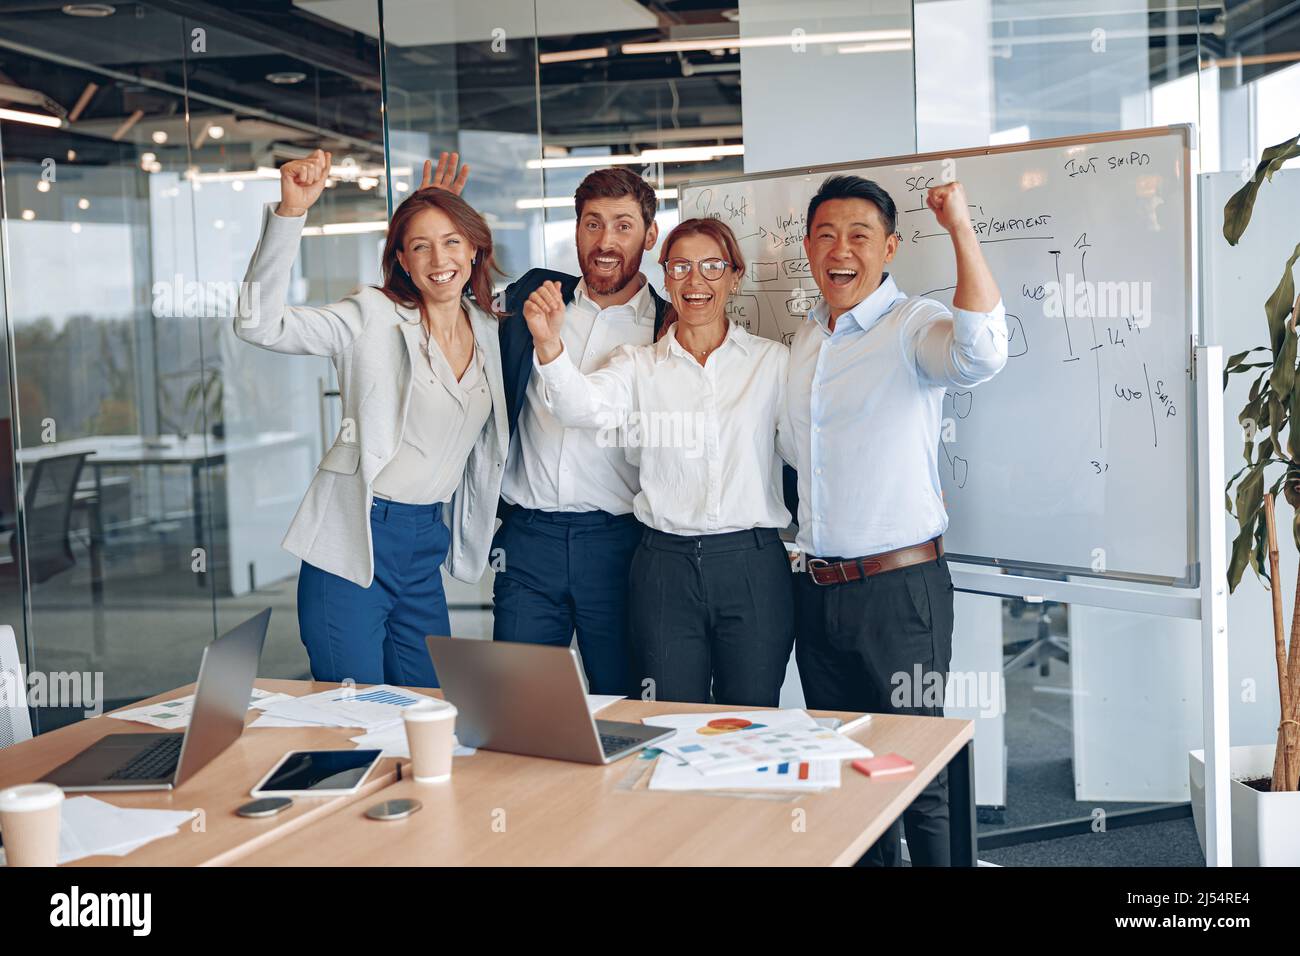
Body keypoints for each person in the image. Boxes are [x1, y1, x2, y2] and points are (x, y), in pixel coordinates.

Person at [787, 174, 1008, 866]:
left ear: (889, 248)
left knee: (915, 775)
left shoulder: (910, 324)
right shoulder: (804, 343)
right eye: (825, 235)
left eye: (858, 235)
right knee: (851, 773)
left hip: (899, 592)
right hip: (814, 589)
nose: (840, 249)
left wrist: (961, 231)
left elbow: (982, 353)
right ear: (807, 248)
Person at [235, 148, 508, 688]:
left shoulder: (490, 330)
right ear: (402, 261)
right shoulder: (372, 316)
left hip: (424, 543)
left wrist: (441, 210)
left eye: (452, 242)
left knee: (426, 707)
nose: (438, 260)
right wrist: (291, 215)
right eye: (420, 247)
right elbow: (259, 324)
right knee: (351, 712)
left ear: (476, 250)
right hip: (357, 538)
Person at [523, 217, 795, 706]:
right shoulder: (637, 365)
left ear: (735, 277)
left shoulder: (772, 363)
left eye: (712, 266)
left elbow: (808, 445)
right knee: (668, 717)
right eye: (681, 267)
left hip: (752, 565)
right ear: (665, 277)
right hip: (663, 567)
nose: (696, 281)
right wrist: (549, 344)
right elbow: (580, 406)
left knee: (754, 718)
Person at [492, 168, 672, 695]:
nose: (605, 241)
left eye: (622, 225)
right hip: (527, 543)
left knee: (625, 705)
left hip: (621, 545)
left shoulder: (669, 327)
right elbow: (456, 300)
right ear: (575, 231)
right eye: (592, 224)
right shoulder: (534, 297)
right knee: (519, 707)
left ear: (650, 235)